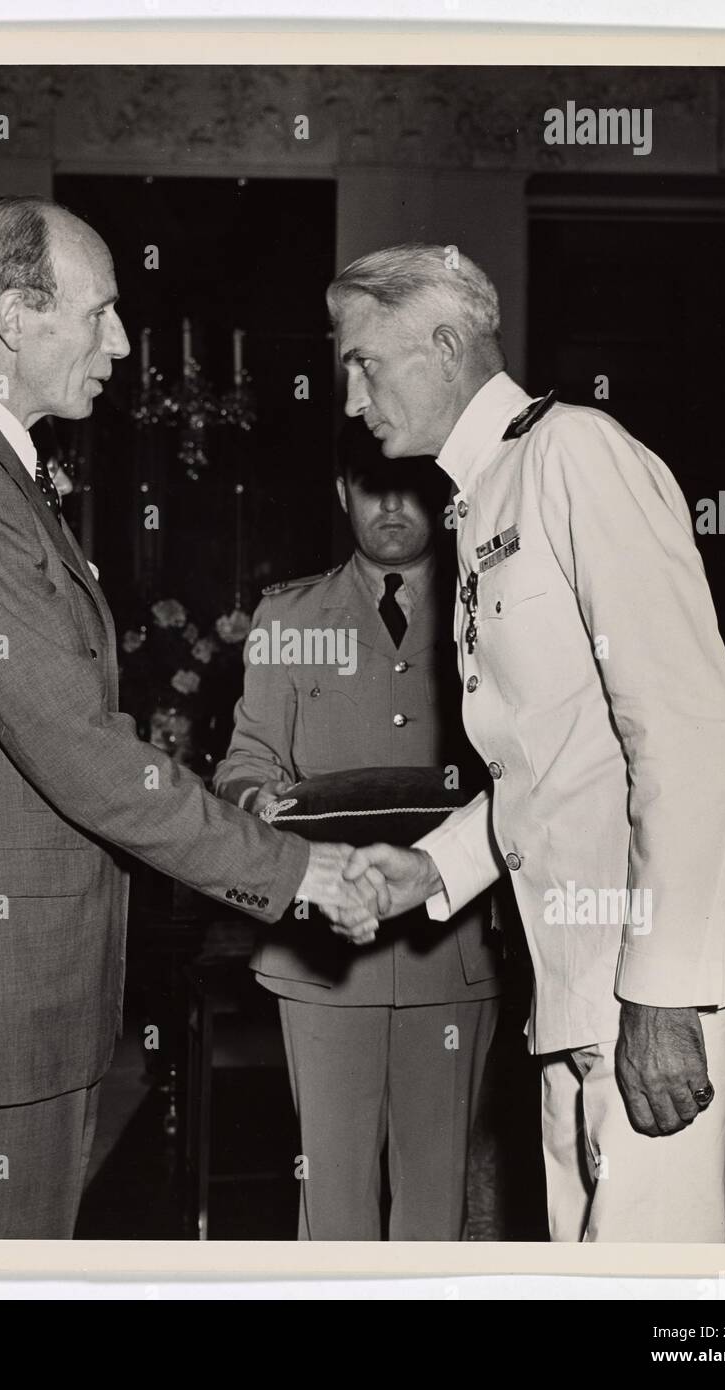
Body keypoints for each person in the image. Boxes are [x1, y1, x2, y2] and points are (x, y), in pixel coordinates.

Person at [0, 195, 382, 1240]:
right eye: (97, 313)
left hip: (19, 978)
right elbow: (76, 749)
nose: (123, 341)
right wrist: (296, 869)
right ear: (14, 316)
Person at [336, 243, 725, 1243]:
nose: (350, 397)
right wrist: (425, 871)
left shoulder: (575, 453)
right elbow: (557, 761)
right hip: (577, 984)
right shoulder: (481, 494)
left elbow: (688, 728)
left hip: (665, 978)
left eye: (365, 362)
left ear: (444, 342)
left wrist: (660, 994)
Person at [214, 428, 502, 1240]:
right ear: (342, 492)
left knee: (435, 1197)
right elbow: (242, 762)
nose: (390, 506)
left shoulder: (487, 604)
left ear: (443, 495)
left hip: (451, 945)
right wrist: (257, 801)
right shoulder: (288, 615)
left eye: (411, 487)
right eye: (370, 486)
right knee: (330, 1194)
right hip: (321, 951)